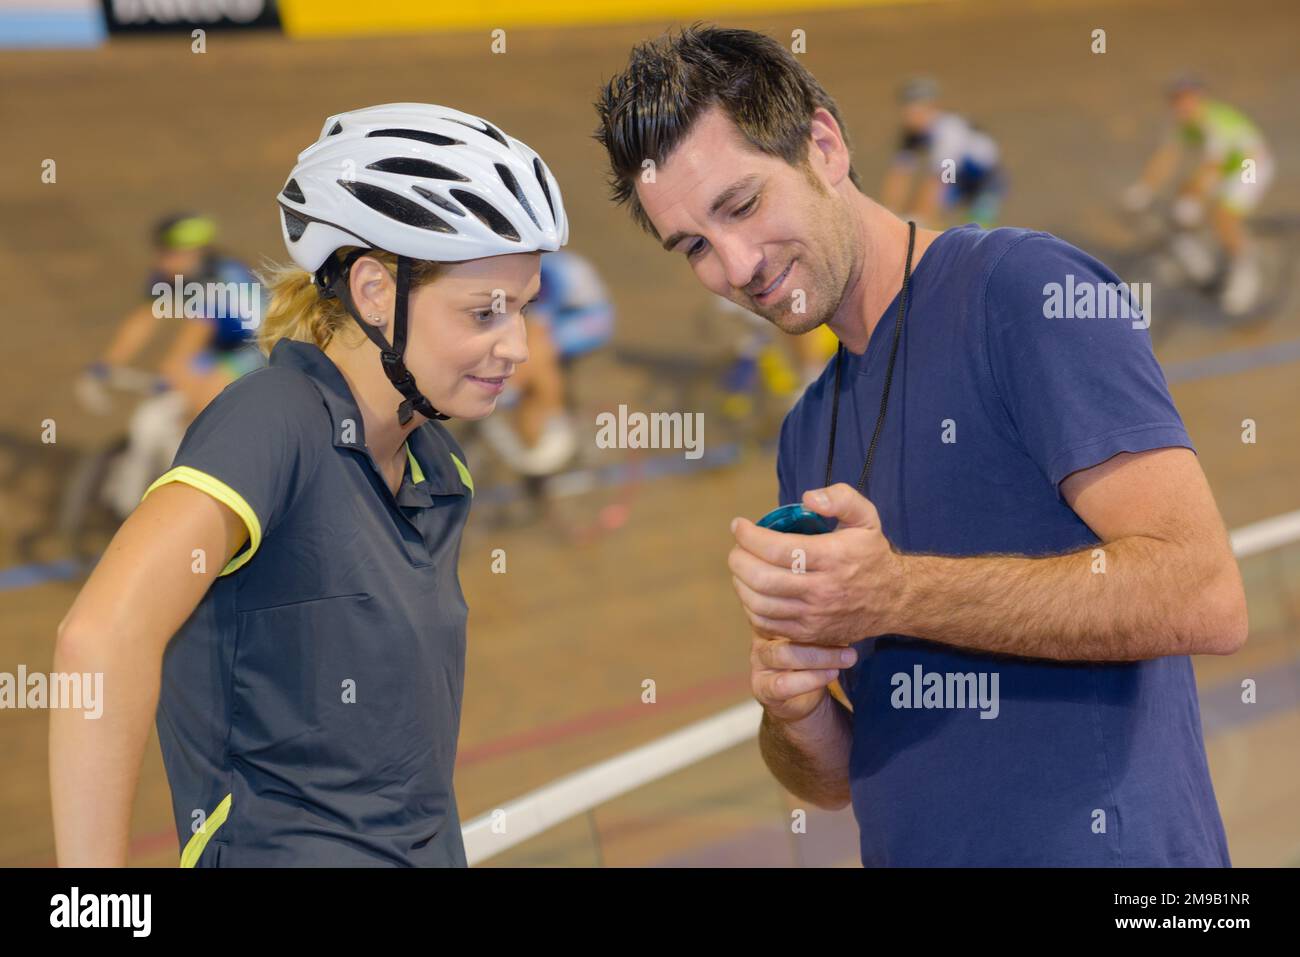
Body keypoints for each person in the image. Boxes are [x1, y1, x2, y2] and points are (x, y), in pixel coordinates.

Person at [595, 25, 1246, 867]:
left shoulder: (1020, 291)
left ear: (823, 146)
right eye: (694, 247)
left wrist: (896, 592)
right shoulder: (808, 431)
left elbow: (1205, 592)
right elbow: (839, 777)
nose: (737, 265)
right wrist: (792, 705)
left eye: (742, 204)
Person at [51, 103, 567, 866]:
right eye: (484, 311)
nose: (516, 346)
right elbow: (97, 641)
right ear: (372, 290)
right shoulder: (274, 419)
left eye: (522, 309)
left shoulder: (437, 467)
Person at [79, 213, 266, 518]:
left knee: (203, 401)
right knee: (173, 399)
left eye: (170, 253)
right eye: (161, 252)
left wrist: (173, 372)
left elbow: (195, 335)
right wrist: (104, 365)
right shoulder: (169, 275)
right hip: (222, 346)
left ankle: (207, 481)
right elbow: (143, 320)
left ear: (193, 254)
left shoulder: (217, 277)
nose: (162, 259)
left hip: (256, 348)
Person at [1123, 74, 1274, 316]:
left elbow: (1213, 165)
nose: (1183, 107)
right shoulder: (1182, 124)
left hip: (1251, 165)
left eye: (1188, 101)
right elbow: (1166, 158)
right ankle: (1203, 267)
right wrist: (1143, 189)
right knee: (1183, 207)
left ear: (1200, 99)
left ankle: (1246, 273)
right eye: (1178, 102)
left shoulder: (1214, 120)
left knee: (1222, 214)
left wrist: (1194, 192)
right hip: (1227, 168)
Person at [880, 76, 1004, 229]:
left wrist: (917, 218)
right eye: (906, 111)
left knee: (975, 229)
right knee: (935, 221)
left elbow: (941, 180)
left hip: (985, 181)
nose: (909, 117)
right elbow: (899, 175)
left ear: (930, 108)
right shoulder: (910, 136)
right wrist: (889, 214)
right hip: (956, 177)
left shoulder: (948, 132)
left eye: (914, 111)